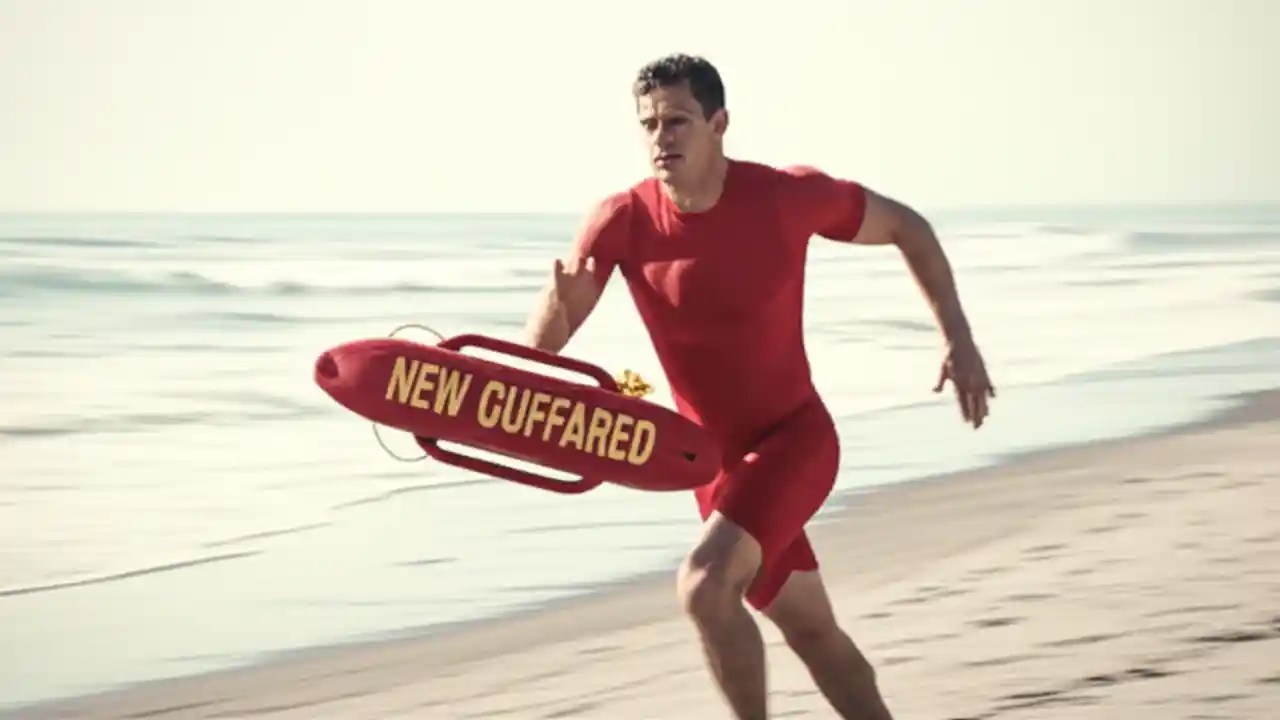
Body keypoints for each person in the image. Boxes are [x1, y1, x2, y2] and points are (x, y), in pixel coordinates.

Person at [520, 53, 994, 720]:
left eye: (679, 121)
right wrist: (552, 316)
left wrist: (959, 338)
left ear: (719, 123)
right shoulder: (622, 219)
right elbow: (542, 354)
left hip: (795, 442)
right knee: (812, 632)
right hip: (711, 467)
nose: (663, 138)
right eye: (650, 124)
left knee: (705, 587)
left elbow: (908, 227)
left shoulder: (785, 196)